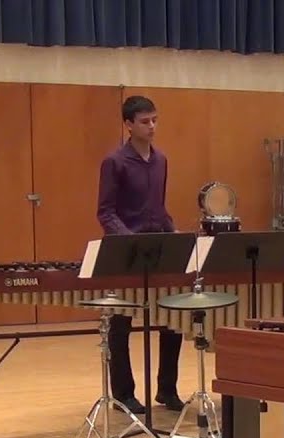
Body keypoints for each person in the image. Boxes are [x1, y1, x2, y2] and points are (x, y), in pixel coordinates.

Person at [96, 95, 184, 413]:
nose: (152, 127)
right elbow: (106, 212)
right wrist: (128, 239)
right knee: (121, 324)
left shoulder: (161, 160)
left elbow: (159, 208)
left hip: (158, 249)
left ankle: (167, 389)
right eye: (145, 121)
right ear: (129, 124)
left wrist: (174, 233)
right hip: (126, 251)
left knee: (173, 319)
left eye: (154, 120)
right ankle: (123, 393)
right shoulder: (115, 162)